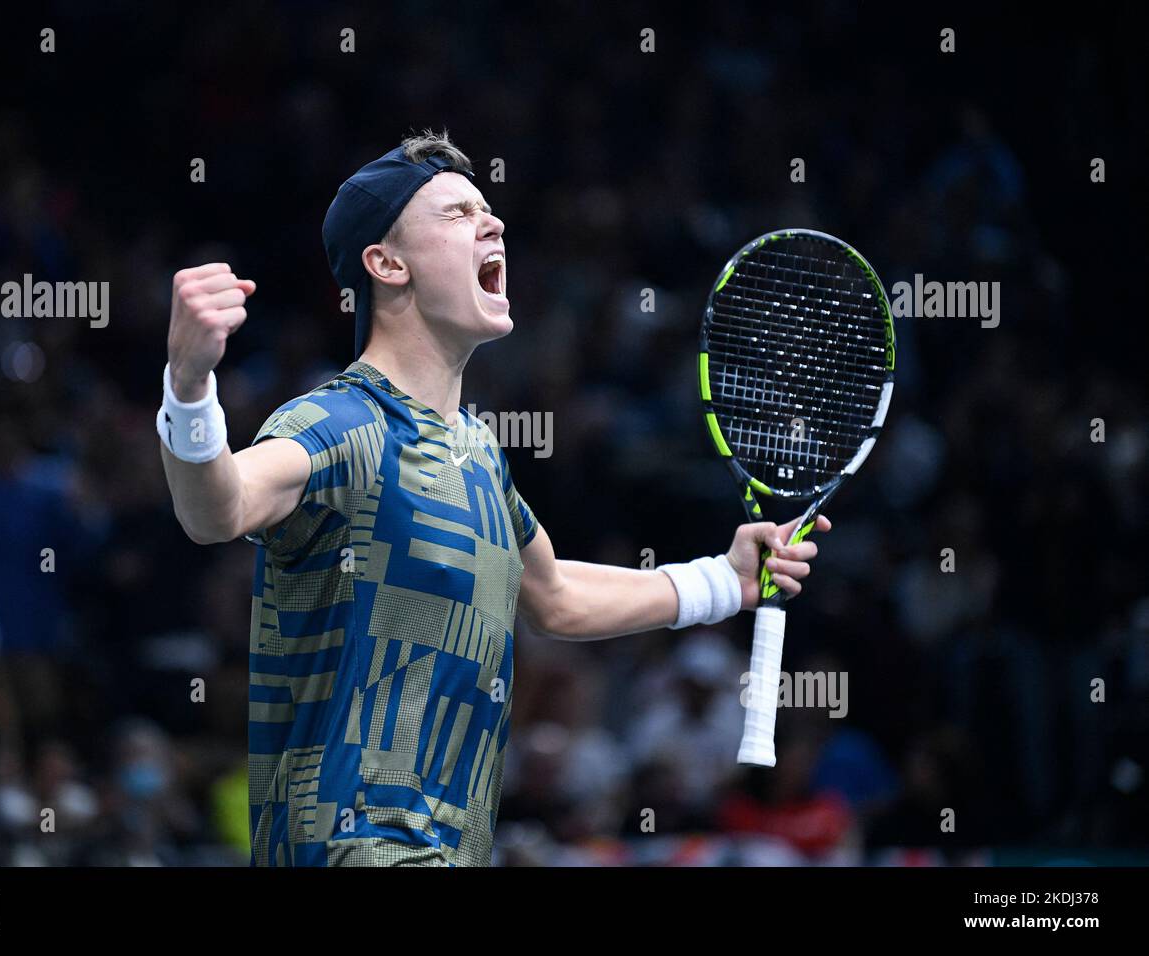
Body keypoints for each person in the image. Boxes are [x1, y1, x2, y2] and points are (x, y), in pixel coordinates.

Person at [157, 129, 828, 866]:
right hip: (351, 848)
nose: (493, 222)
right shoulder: (340, 423)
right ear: (386, 263)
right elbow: (213, 510)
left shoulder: (478, 456)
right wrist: (189, 392)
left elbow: (555, 594)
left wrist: (721, 581)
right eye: (455, 212)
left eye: (488, 209)